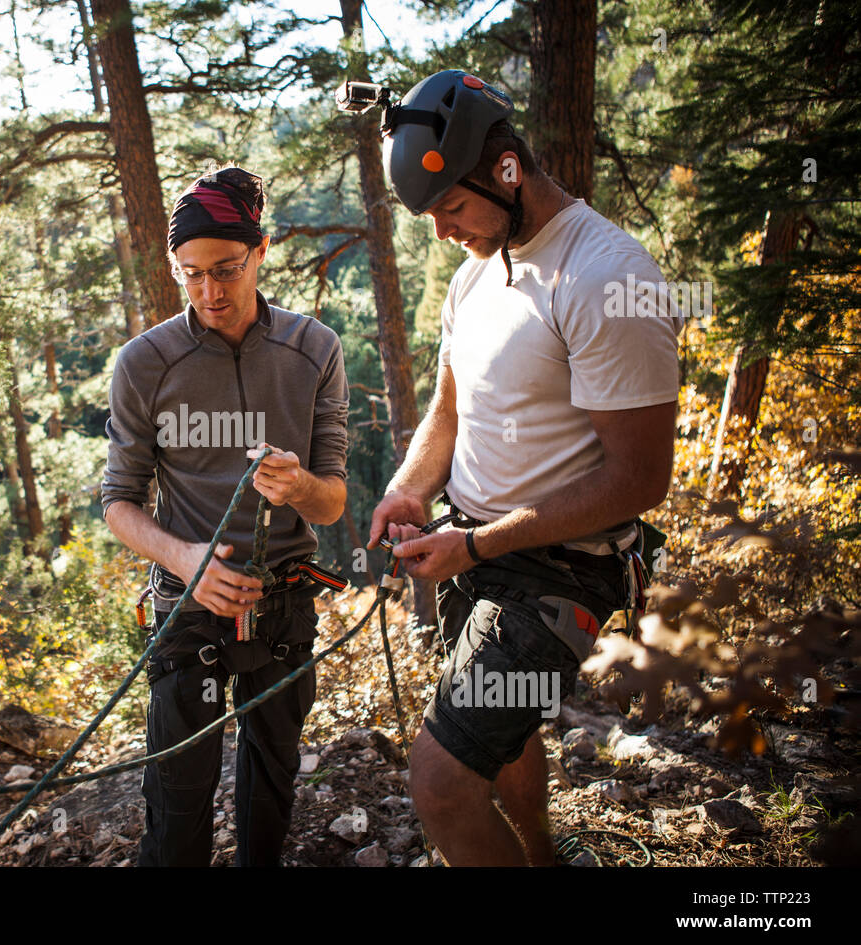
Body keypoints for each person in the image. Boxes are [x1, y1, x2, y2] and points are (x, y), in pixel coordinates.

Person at [365, 70, 683, 865]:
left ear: (506, 170)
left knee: (439, 781)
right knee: (499, 739)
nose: (442, 233)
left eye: (451, 210)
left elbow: (640, 480)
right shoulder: (477, 271)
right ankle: (542, 856)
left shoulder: (609, 278)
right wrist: (409, 489)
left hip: (562, 571)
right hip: (474, 550)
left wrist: (475, 547)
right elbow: (450, 407)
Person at [101, 166, 350, 866]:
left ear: (262, 251)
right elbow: (118, 502)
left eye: (226, 269)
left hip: (284, 598)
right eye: (191, 274)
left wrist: (298, 485)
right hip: (188, 604)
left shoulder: (313, 350)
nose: (210, 291)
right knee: (177, 803)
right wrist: (187, 562)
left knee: (270, 795)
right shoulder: (145, 362)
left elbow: (331, 502)